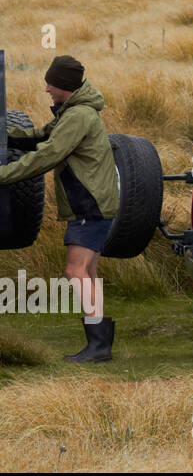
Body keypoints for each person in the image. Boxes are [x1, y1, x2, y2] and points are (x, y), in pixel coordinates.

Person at [0, 55, 120, 362]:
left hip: (89, 207)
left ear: (64, 85)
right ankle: (99, 345)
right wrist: (6, 135)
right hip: (94, 205)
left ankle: (98, 346)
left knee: (75, 270)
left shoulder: (78, 116)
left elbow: (48, 155)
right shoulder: (74, 112)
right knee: (88, 272)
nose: (47, 89)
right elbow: (42, 136)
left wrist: (3, 175)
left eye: (50, 83)